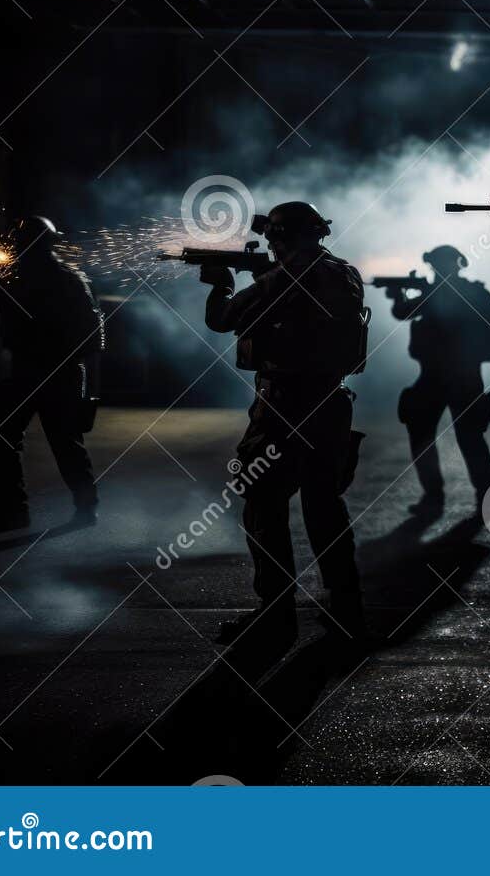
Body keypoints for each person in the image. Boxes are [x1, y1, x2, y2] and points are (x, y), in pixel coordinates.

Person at [201, 202, 369, 655]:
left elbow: (222, 320)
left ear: (282, 237)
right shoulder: (343, 272)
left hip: (284, 407)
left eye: (275, 238)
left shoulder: (285, 277)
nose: (271, 245)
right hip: (329, 404)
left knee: (262, 503)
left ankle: (276, 613)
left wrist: (221, 283)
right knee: (323, 506)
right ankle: (346, 603)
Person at [0, 216, 103, 534]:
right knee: (64, 442)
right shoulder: (62, 278)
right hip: (51, 372)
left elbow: (90, 332)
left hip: (41, 371)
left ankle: (15, 512)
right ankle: (84, 508)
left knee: (15, 440)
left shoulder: (33, 279)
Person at [389, 245, 490, 520]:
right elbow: (404, 312)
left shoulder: (457, 293)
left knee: (460, 437)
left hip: (448, 375)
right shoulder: (474, 293)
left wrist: (401, 297)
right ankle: (454, 497)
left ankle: (444, 497)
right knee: (456, 436)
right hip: (452, 375)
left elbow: (403, 311)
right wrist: (401, 296)